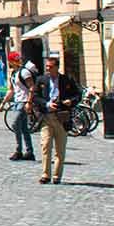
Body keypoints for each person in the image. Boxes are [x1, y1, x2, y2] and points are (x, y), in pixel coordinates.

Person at [36, 56, 80, 184]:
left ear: (56, 67)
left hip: (62, 117)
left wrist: (70, 101)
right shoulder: (41, 80)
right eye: (47, 66)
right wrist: (47, 104)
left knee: (60, 149)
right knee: (45, 145)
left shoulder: (66, 80)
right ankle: (45, 175)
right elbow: (35, 97)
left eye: (50, 66)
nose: (47, 68)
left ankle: (57, 176)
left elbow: (78, 94)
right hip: (47, 117)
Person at [6, 55, 38, 162]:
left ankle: (18, 150)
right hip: (17, 102)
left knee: (15, 124)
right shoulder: (13, 74)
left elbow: (32, 87)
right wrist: (3, 103)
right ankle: (30, 152)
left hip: (24, 102)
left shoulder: (24, 72)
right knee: (24, 128)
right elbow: (11, 90)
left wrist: (29, 102)